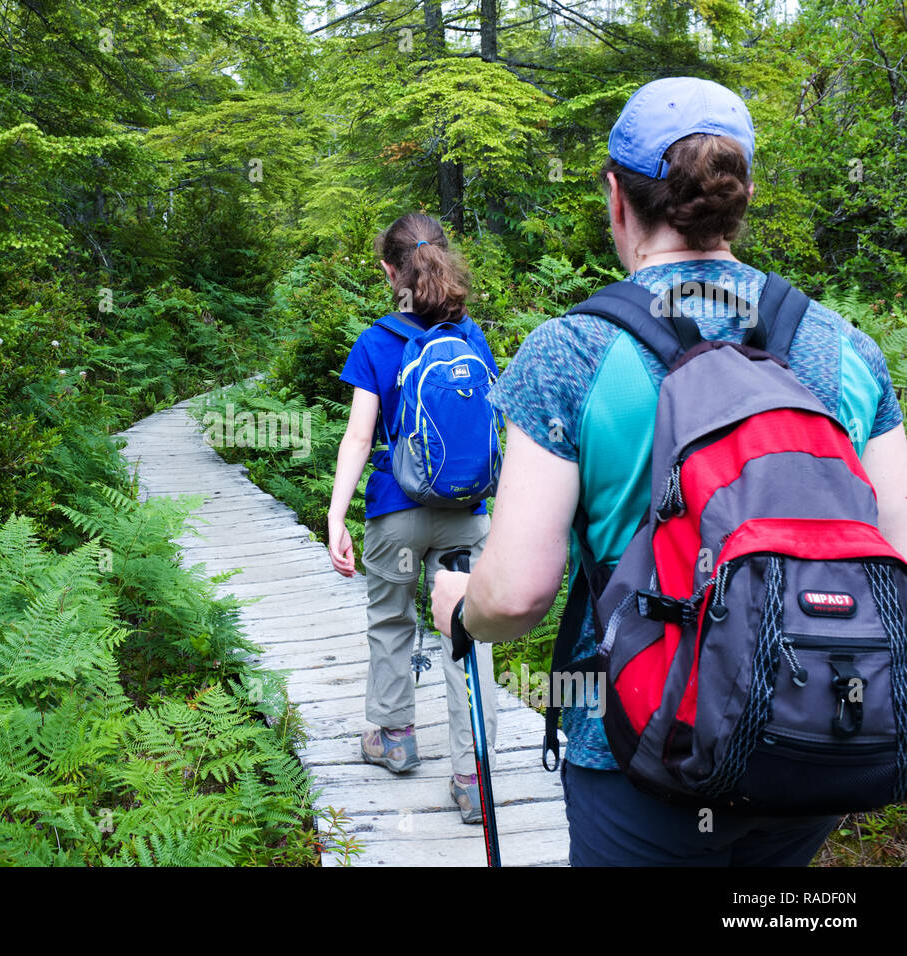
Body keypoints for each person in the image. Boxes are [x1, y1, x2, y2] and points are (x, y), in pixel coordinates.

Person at [431, 76, 907, 865]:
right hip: (814, 735)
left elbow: (515, 593)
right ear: (741, 195)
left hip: (638, 746)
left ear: (616, 197)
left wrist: (461, 612)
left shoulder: (573, 351)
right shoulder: (844, 348)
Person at [327, 212, 500, 824]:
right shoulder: (470, 336)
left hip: (396, 512)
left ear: (387, 271)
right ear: (444, 261)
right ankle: (471, 776)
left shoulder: (376, 340)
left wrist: (336, 516)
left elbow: (357, 436)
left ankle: (395, 741)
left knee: (392, 621)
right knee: (467, 633)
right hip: (464, 513)